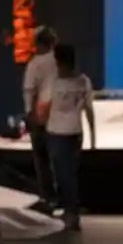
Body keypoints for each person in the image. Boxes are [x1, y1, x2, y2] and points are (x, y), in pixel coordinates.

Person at [36, 44, 95, 231]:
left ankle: (71, 213)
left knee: (62, 175)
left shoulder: (52, 81)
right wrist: (93, 137)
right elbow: (89, 110)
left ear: (58, 61)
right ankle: (71, 211)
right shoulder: (84, 81)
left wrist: (41, 122)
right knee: (70, 174)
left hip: (57, 133)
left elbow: (42, 108)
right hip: (76, 133)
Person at [23, 26, 59, 209]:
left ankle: (48, 198)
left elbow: (30, 90)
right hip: (61, 116)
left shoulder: (35, 64)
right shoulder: (61, 61)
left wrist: (29, 113)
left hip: (40, 116)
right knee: (59, 159)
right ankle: (63, 198)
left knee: (42, 159)